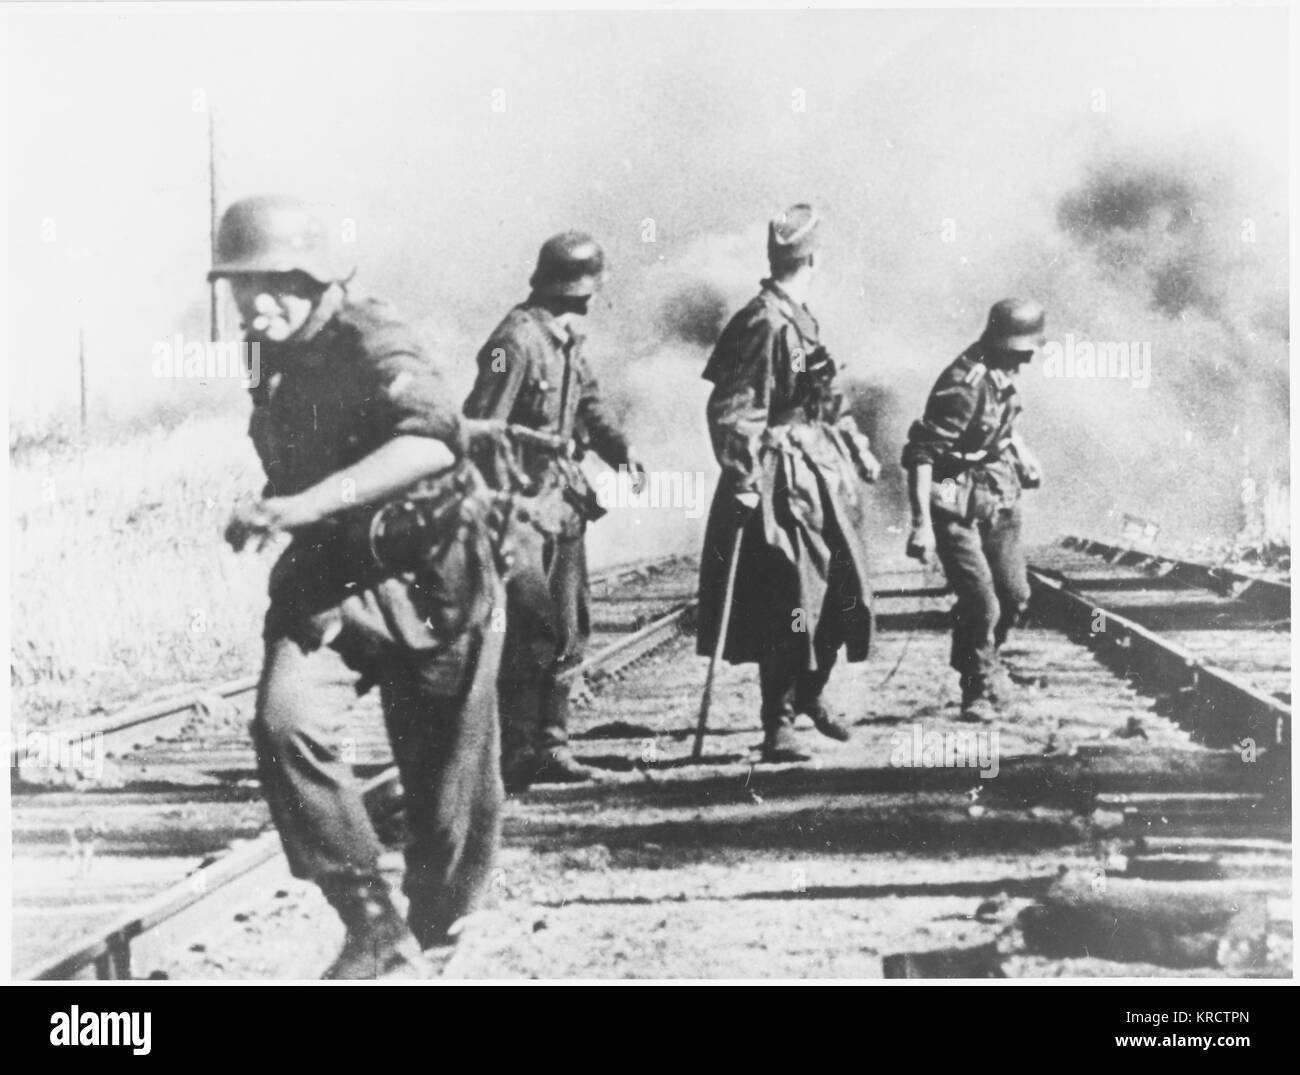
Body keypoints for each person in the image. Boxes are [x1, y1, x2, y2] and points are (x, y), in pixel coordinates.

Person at [212, 195, 507, 978]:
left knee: (447, 810)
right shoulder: (262, 350)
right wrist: (275, 512)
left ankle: (441, 928)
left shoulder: (372, 335)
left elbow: (432, 444)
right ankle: (369, 919)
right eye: (240, 286)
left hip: (430, 578)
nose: (255, 302)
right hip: (330, 577)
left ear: (314, 277)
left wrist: (307, 502)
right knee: (286, 725)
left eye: (273, 282)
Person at [696, 204, 879, 763]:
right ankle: (777, 725)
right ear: (813, 258)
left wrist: (856, 444)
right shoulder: (766, 321)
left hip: (819, 472)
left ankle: (810, 696)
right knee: (789, 596)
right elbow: (735, 409)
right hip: (779, 480)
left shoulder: (798, 318)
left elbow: (823, 397)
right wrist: (745, 479)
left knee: (841, 591)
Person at [462, 231, 645, 790]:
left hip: (562, 504)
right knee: (529, 628)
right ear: (579, 292)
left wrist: (622, 452)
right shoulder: (513, 342)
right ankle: (516, 748)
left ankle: (552, 744)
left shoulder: (566, 341)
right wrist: (499, 506)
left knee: (569, 624)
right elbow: (481, 426)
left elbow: (588, 404)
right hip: (519, 508)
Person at [901, 298, 1046, 722]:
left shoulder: (1004, 371)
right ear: (1005, 343)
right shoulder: (963, 384)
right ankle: (976, 688)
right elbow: (921, 454)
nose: (1029, 355)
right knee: (981, 602)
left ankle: (987, 662)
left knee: (1014, 595)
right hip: (953, 495)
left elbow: (1000, 426)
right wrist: (920, 525)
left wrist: (1023, 454)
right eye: (1024, 347)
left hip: (999, 490)